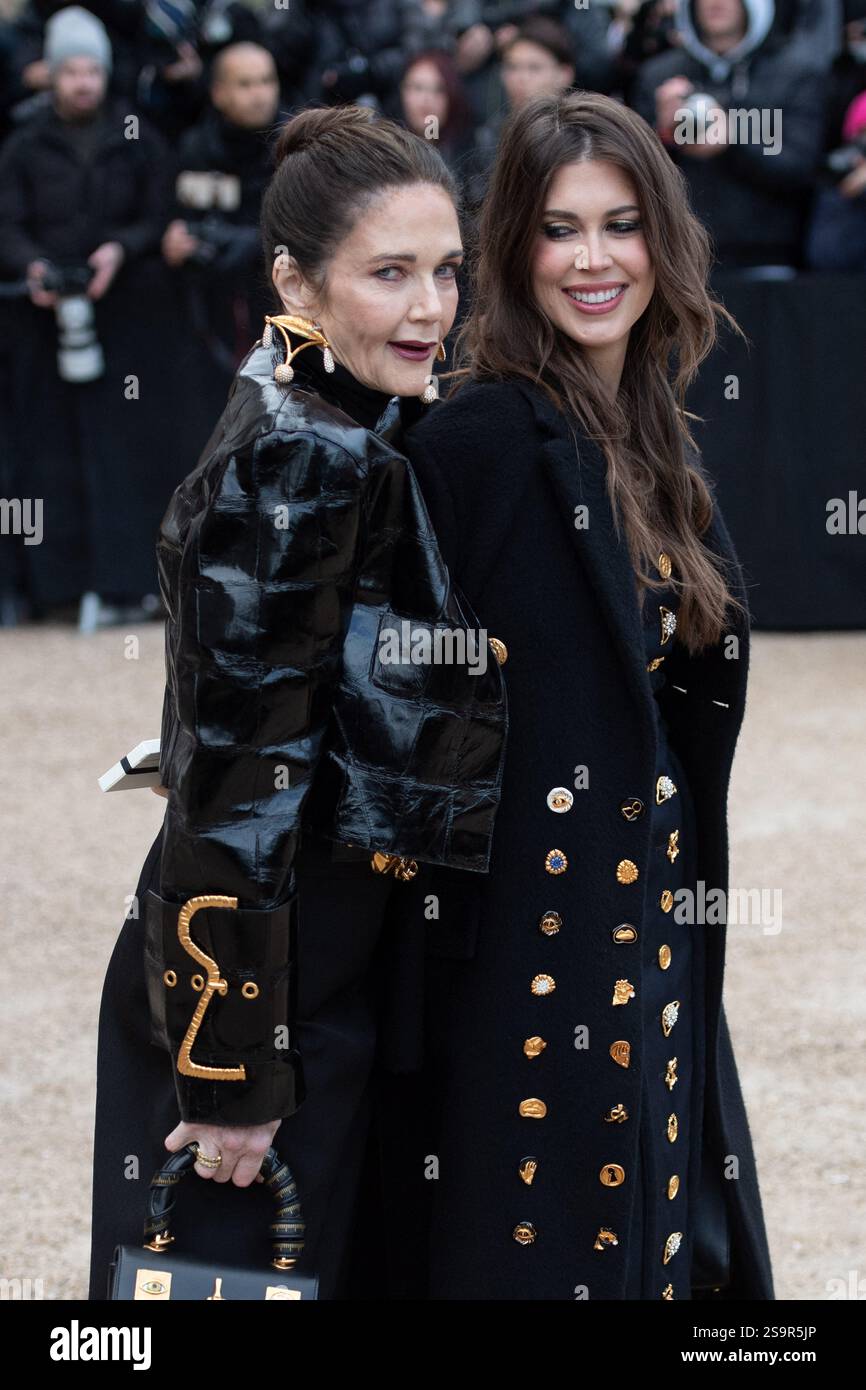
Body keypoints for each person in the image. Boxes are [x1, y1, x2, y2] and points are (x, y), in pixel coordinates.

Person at [87, 103, 507, 1300]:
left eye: (445, 270)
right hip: (267, 983)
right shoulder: (305, 451)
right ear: (293, 280)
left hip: (293, 967)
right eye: (389, 273)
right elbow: (237, 788)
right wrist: (230, 1074)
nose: (430, 308)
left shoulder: (324, 408)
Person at [394, 89, 775, 1300]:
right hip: (523, 966)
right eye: (558, 229)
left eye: (619, 225)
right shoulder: (472, 441)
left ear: (662, 239)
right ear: (513, 248)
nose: (592, 260)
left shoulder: (652, 436)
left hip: (651, 938)